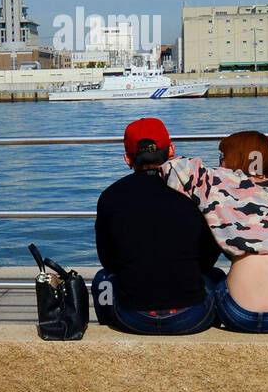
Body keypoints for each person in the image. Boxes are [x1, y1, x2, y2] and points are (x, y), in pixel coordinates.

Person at [162, 131, 268, 333]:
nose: (220, 163)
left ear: (236, 157)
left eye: (222, 156)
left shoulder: (219, 181)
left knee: (210, 278)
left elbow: (174, 168)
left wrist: (168, 152)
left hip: (237, 313)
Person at [93, 117, 223, 335]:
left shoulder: (110, 196)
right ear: (171, 150)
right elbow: (208, 257)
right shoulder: (195, 192)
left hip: (132, 317)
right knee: (217, 276)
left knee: (102, 279)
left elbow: (109, 261)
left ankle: (108, 326)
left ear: (127, 159)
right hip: (191, 316)